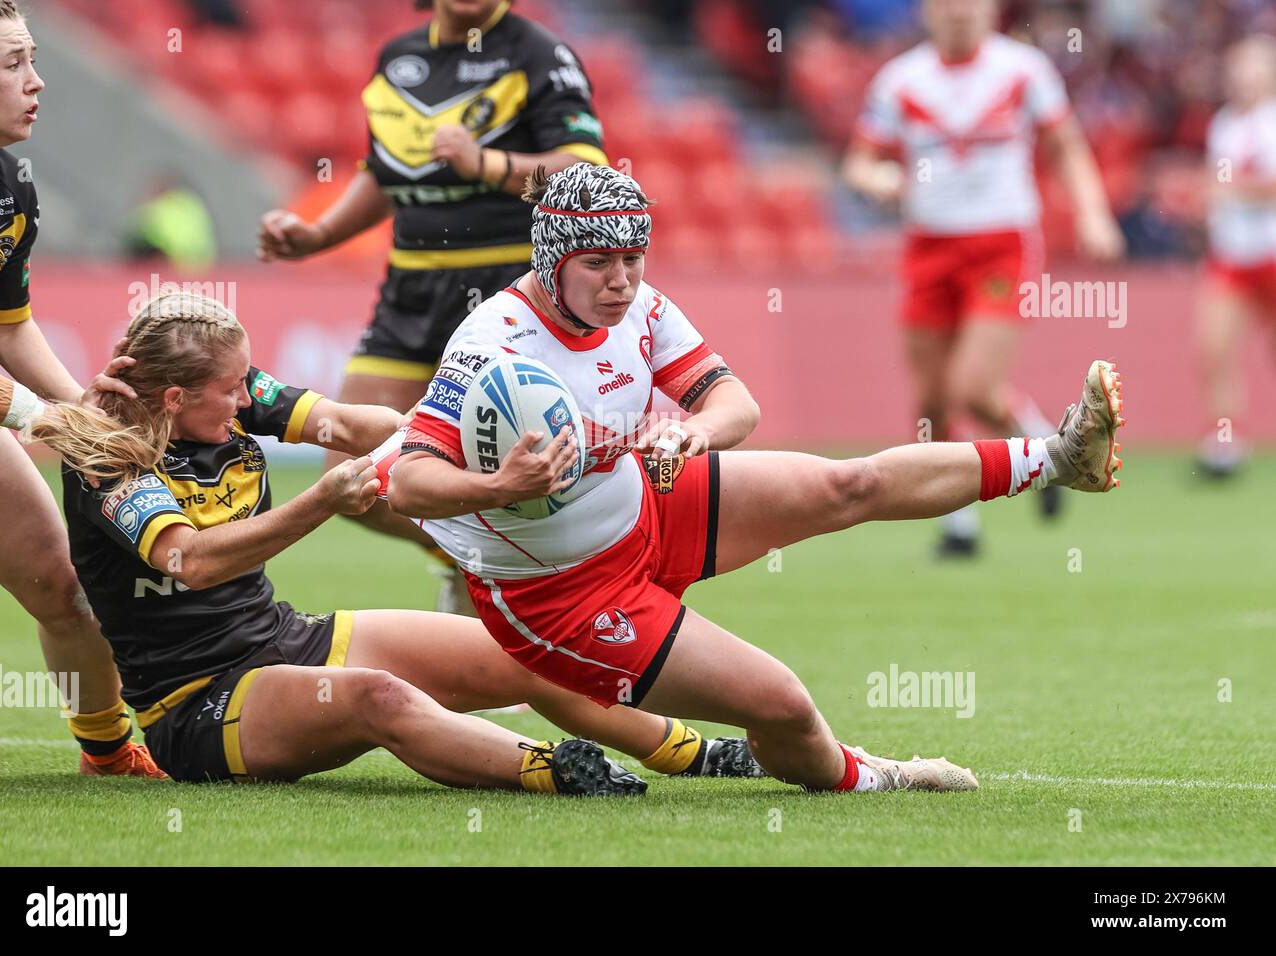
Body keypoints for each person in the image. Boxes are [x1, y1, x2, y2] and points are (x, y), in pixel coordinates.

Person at [383, 162, 1125, 794]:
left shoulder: (639, 306)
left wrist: (694, 431)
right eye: (598, 265)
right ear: (551, 263)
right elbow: (410, 484)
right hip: (562, 592)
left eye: (633, 259)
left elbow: (738, 404)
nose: (620, 282)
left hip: (646, 497)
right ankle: (871, 777)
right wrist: (501, 486)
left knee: (849, 486)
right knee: (782, 706)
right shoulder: (492, 345)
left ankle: (1059, 459)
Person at [28, 291, 765, 786]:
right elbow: (190, 561)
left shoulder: (235, 401)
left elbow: (353, 426)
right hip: (197, 704)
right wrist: (321, 499)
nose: (250, 396)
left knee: (524, 653)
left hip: (285, 639)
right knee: (380, 700)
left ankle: (700, 756)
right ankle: (555, 770)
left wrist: (450, 432)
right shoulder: (109, 461)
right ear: (176, 399)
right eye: (233, 389)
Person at [258, 0, 608, 611]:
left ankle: (542, 611)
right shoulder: (399, 60)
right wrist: (320, 235)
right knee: (351, 471)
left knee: (519, 468)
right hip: (413, 288)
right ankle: (468, 556)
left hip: (508, 288)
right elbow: (384, 173)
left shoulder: (539, 54)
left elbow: (583, 171)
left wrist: (488, 165)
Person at [841, 0, 1124, 556]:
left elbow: (1065, 146)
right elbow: (858, 161)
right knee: (930, 399)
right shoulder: (901, 79)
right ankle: (960, 523)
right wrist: (878, 178)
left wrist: (1094, 213)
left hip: (1002, 243)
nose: (959, 13)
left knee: (970, 387)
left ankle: (1046, 445)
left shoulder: (1022, 70)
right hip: (927, 246)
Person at [0, 0, 163, 776]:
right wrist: (40, 415)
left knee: (63, 583)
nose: (37, 81)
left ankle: (108, 752)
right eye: (13, 62)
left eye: (35, 59)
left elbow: (6, 324)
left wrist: (84, 406)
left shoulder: (11, 187)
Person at [1195, 35, 1276, 478]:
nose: (1244, 76)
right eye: (1239, 67)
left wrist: (1226, 190)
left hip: (1272, 253)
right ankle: (1224, 444)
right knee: (1214, 349)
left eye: (1254, 67)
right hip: (1231, 256)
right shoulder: (1222, 123)